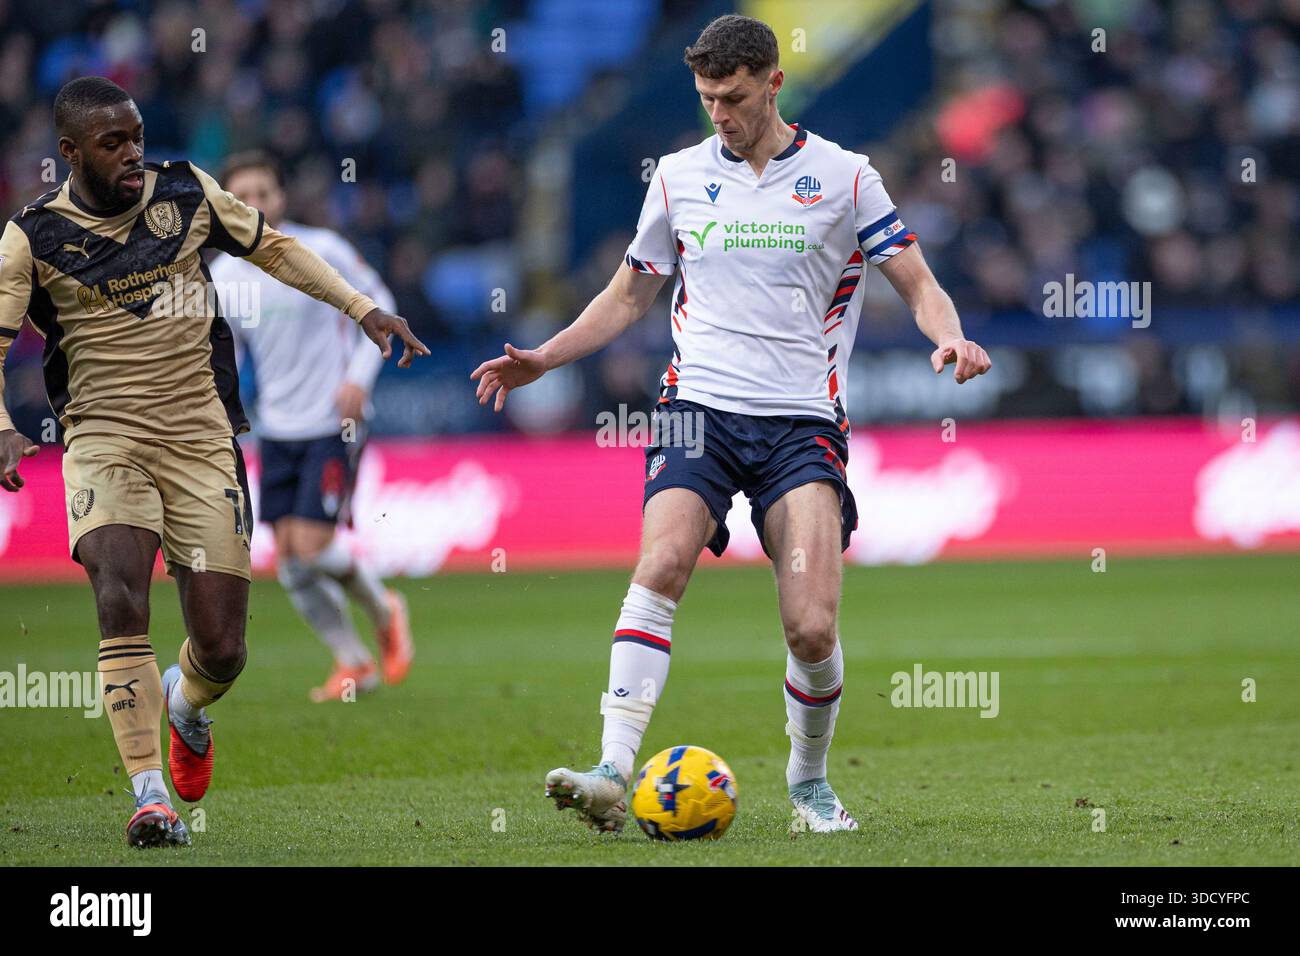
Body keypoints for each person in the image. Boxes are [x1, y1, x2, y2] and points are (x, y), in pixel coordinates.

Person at [472, 15, 991, 834]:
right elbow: (629, 295)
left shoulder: (847, 177)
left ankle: (810, 784)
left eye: (735, 97)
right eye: (708, 97)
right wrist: (546, 356)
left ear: (773, 83)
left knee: (812, 624)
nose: (720, 113)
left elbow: (919, 284)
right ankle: (612, 767)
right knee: (663, 558)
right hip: (695, 410)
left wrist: (950, 335)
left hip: (800, 422)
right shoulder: (677, 177)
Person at [0, 77, 429, 848]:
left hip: (202, 440)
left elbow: (276, 246)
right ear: (69, 153)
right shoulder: (30, 238)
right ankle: (147, 796)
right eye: (112, 144)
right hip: (104, 440)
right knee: (119, 596)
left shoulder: (185, 194)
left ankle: (187, 708)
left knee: (223, 649)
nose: (133, 153)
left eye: (136, 136)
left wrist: (361, 308)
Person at [209, 152, 413, 703]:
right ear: (225, 206)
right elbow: (227, 356)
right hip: (277, 429)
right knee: (291, 562)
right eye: (241, 196)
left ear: (281, 198)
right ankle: (353, 662)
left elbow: (382, 302)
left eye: (264, 193)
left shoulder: (319, 250)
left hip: (333, 422)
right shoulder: (225, 277)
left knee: (313, 544)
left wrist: (360, 380)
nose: (254, 204)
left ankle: (385, 608)